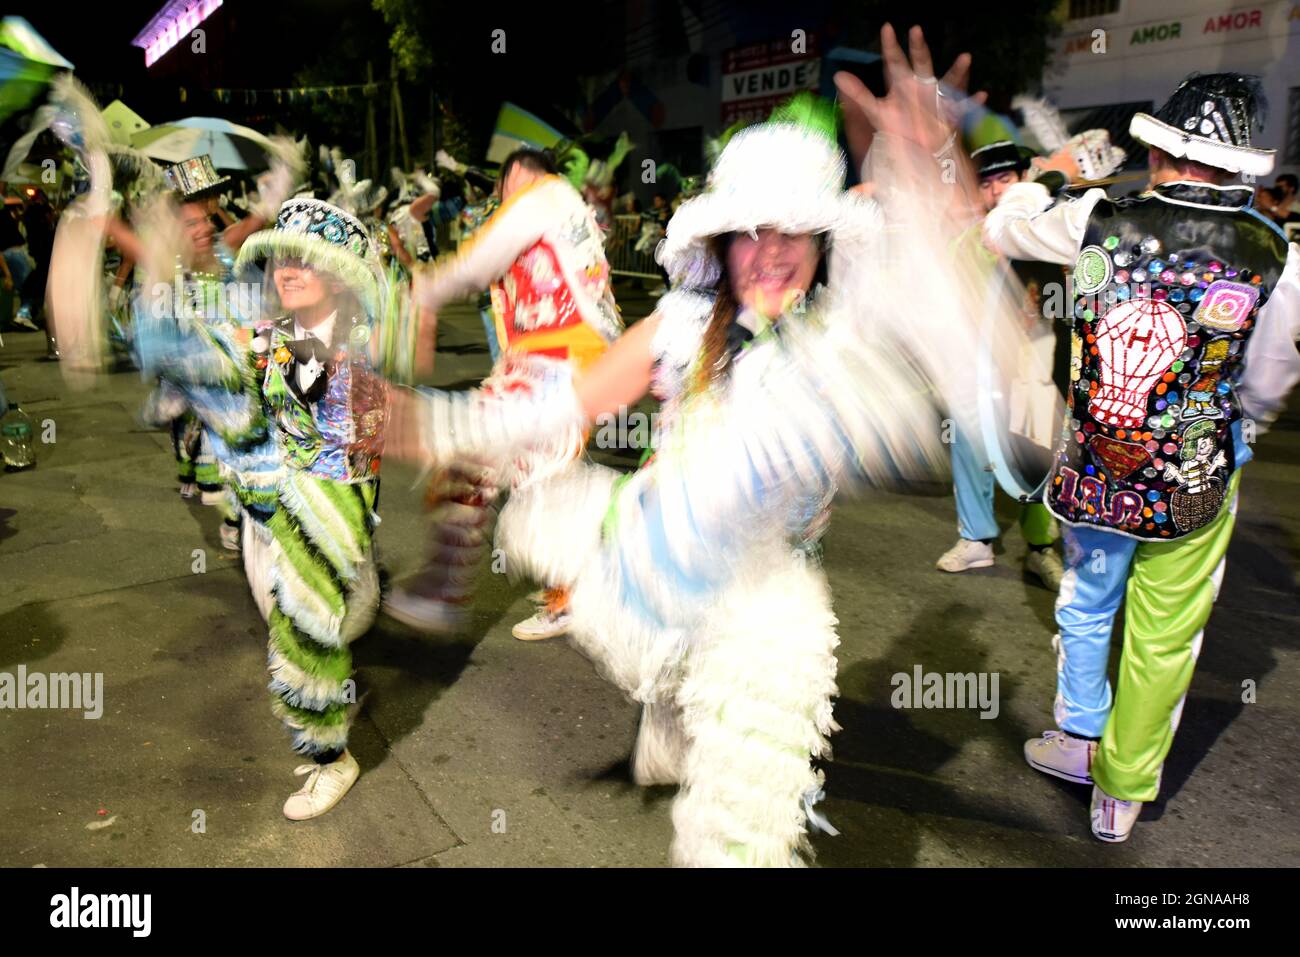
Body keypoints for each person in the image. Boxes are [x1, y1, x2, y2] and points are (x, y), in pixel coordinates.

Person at [384, 29, 1014, 863]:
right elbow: (552, 409)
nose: (774, 251)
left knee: (742, 833)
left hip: (764, 604)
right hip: (658, 552)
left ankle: (700, 738)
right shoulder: (677, 327)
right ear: (718, 241)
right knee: (661, 663)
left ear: (825, 241)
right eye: (751, 230)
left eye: (797, 229)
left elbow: (975, 358)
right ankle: (676, 696)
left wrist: (936, 190)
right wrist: (424, 422)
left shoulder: (840, 339)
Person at [984, 73, 1300, 843]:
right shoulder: (1279, 254)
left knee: (1089, 601)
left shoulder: (1095, 217)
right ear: (1241, 165)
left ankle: (1077, 736)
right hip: (1194, 478)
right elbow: (1267, 378)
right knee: (1164, 635)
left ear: (1159, 149)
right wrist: (1239, 425)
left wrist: (1053, 171)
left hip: (1096, 472)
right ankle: (1121, 791)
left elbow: (1005, 222)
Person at [134, 196, 393, 820]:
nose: (287, 269)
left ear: (338, 272)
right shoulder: (273, 337)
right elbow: (221, 363)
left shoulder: (361, 343)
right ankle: (336, 664)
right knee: (310, 627)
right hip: (282, 510)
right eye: (281, 259)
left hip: (331, 512)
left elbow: (340, 417)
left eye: (306, 260)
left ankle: (335, 761)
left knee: (304, 638)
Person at [385, 147, 623, 641]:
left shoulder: (543, 197)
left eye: (501, 189)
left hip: (559, 367)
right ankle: (575, 594)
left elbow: (476, 264)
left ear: (515, 174)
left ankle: (441, 591)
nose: (501, 203)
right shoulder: (566, 210)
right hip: (563, 367)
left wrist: (425, 290)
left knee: (471, 451)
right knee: (543, 486)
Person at [935, 125, 1065, 589]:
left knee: (1035, 450)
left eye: (1003, 180)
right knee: (970, 445)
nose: (994, 192)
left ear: (1024, 177)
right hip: (977, 365)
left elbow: (1062, 302)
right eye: (986, 184)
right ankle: (976, 540)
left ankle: (1040, 548)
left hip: (1034, 363)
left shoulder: (1051, 232)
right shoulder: (967, 241)